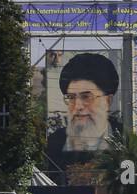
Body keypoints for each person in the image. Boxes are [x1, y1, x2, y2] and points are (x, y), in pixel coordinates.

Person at [44, 53, 124, 182]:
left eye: (86, 97)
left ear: (108, 101)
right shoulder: (56, 142)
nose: (78, 106)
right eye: (71, 97)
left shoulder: (124, 139)